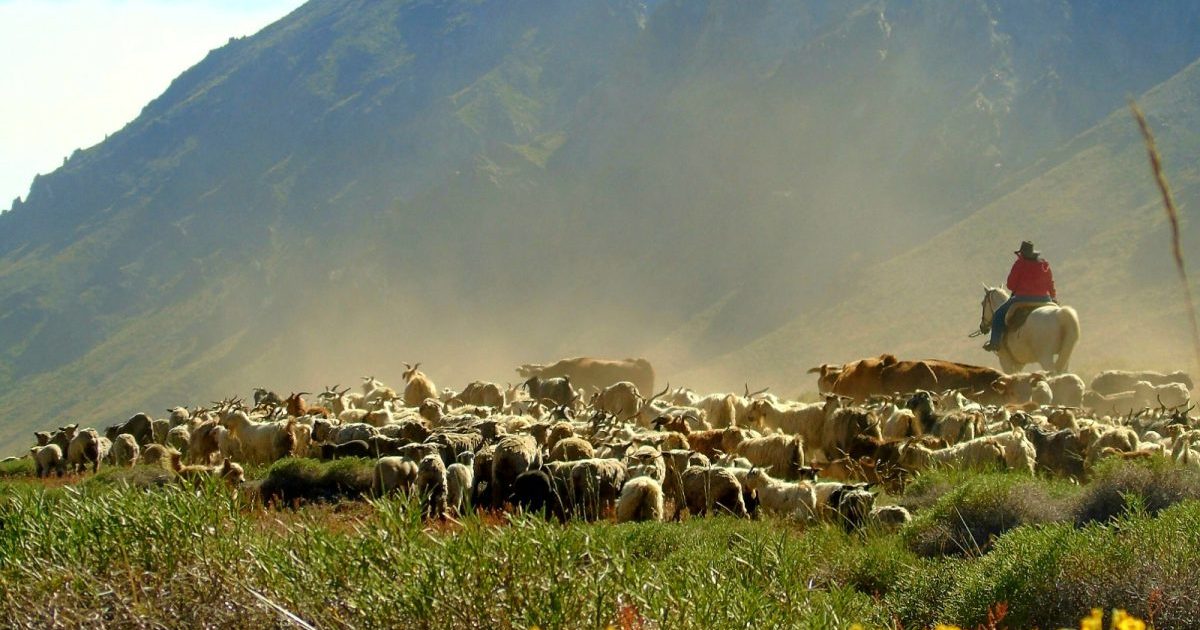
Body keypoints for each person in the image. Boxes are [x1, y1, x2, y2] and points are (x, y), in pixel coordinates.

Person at [983, 241, 1056, 352]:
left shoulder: (1020, 264)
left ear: (1021, 253)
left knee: (998, 315)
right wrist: (1053, 297)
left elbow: (1010, 285)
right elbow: (1050, 282)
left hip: (1023, 298)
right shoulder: (1043, 264)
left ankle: (994, 343)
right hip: (1044, 299)